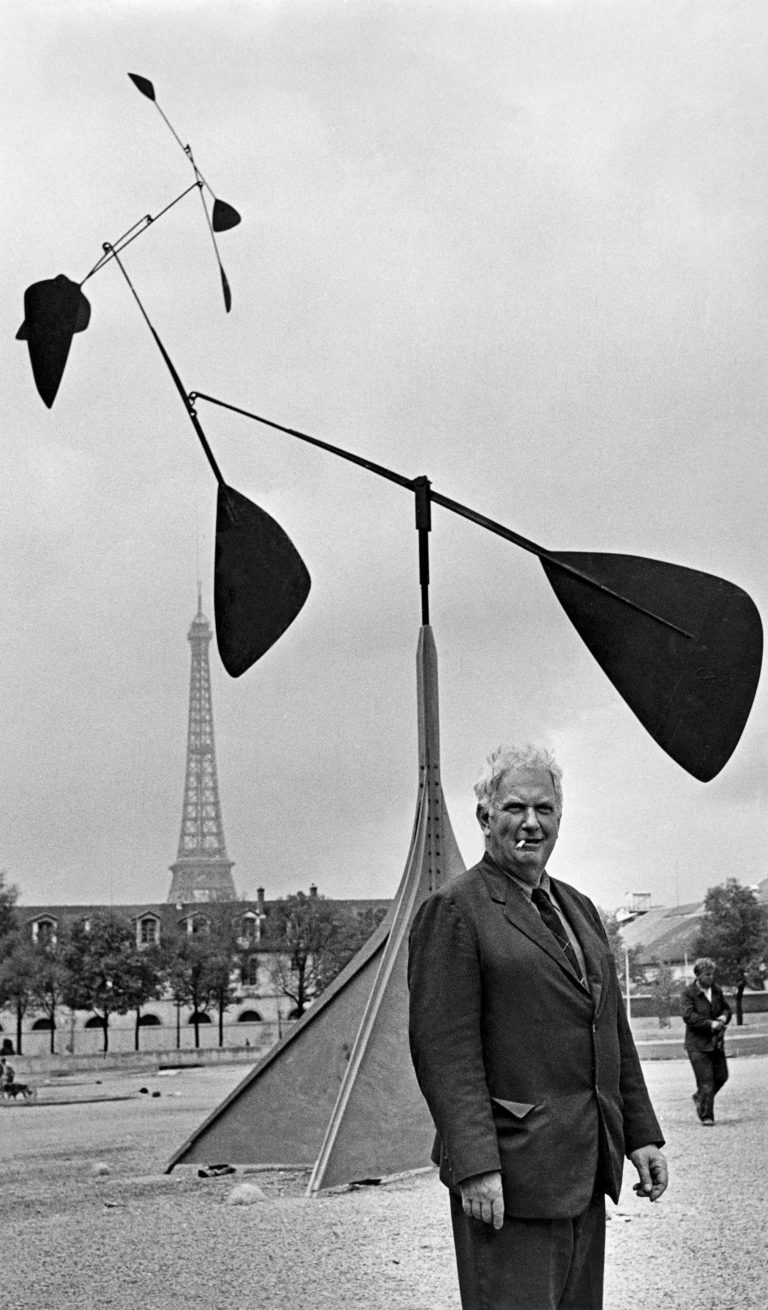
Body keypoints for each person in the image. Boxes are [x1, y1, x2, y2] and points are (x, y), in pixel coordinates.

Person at [408, 743, 668, 1310]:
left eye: (544, 809)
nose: (531, 823)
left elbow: (610, 1030)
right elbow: (444, 1052)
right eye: (514, 808)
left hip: (582, 1169)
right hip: (509, 1179)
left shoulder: (578, 907)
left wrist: (641, 1135)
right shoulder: (453, 909)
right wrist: (476, 1165)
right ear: (485, 818)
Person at [681, 957, 731, 1126]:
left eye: (712, 974)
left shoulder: (716, 990)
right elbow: (688, 1016)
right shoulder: (688, 993)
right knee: (706, 1082)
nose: (710, 978)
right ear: (698, 975)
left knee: (722, 1076)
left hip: (716, 1043)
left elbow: (726, 1008)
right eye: (707, 975)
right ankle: (706, 1116)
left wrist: (724, 1016)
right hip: (697, 1045)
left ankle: (699, 1097)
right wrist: (710, 1024)